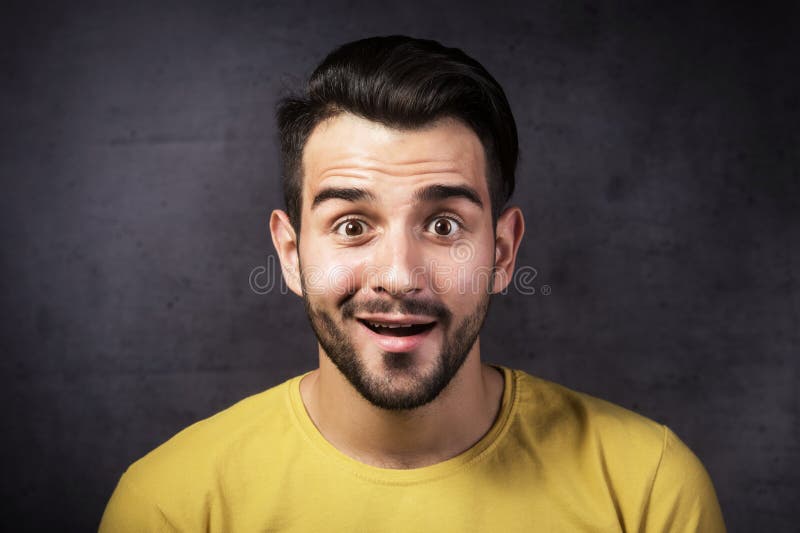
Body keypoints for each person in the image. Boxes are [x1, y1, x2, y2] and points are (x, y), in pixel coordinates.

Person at [100, 35, 726, 532]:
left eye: (445, 223)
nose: (399, 275)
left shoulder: (648, 490)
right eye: (351, 225)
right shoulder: (172, 507)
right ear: (291, 254)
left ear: (503, 252)